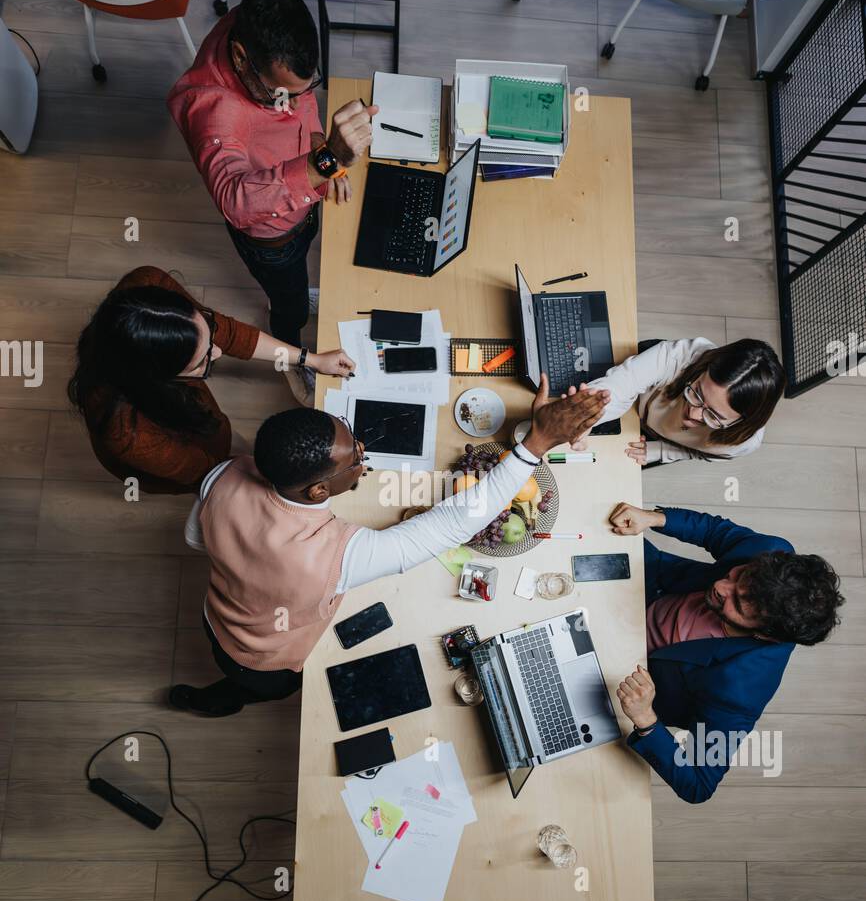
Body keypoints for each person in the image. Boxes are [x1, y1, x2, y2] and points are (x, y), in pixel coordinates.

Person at [171, 377, 609, 716]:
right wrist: (536, 443)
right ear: (319, 491)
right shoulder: (337, 558)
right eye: (355, 459)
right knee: (257, 686)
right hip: (263, 657)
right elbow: (459, 520)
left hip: (214, 614)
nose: (363, 454)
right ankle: (220, 701)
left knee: (224, 654)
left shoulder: (225, 474)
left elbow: (195, 538)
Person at [167, 0, 377, 393]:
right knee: (288, 301)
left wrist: (319, 144)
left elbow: (303, 104)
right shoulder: (211, 107)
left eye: (306, 88)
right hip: (270, 232)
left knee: (304, 260)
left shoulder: (259, 34)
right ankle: (292, 347)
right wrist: (326, 159)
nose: (295, 102)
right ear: (242, 59)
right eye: (282, 94)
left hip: (300, 198)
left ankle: (296, 294)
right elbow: (237, 200)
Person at [608, 501, 843, 802]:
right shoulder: (770, 552)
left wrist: (646, 719)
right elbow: (715, 531)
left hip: (622, 673)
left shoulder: (742, 688)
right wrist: (653, 518)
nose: (721, 585)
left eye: (739, 603)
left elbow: (698, 785)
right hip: (647, 585)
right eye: (738, 574)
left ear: (763, 634)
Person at [68, 265, 354, 495]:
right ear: (161, 378)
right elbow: (204, 470)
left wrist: (311, 359)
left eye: (208, 334)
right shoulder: (129, 435)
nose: (218, 350)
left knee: (226, 438)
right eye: (202, 360)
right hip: (178, 463)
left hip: (188, 417)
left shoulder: (148, 285)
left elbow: (229, 334)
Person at [591, 337, 784, 466]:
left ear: (742, 423)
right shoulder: (682, 356)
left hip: (654, 438)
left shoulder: (743, 443)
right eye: (698, 393)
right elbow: (624, 383)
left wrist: (661, 452)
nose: (692, 415)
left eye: (713, 415)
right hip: (636, 399)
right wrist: (586, 415)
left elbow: (706, 452)